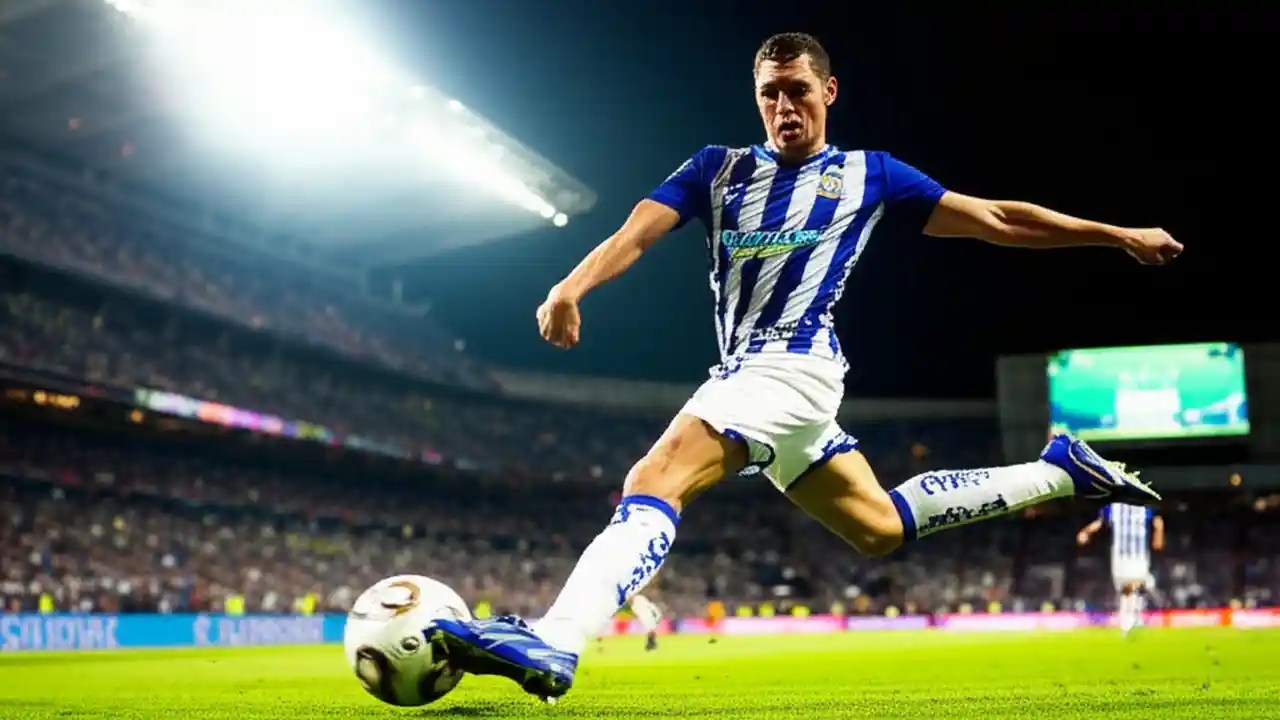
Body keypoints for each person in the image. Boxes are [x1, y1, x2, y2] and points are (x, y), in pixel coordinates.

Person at [425, 31, 1181, 702]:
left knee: (654, 478)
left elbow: (996, 219)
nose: (784, 107)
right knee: (879, 526)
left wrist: (1115, 234)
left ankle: (557, 637)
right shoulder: (715, 171)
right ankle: (1060, 471)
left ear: (828, 91)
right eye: (769, 95)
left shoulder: (870, 175)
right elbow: (634, 233)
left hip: (792, 363)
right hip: (767, 380)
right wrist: (570, 285)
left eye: (797, 91)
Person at [1077, 502, 1165, 636]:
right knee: (1126, 589)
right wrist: (1087, 531)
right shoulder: (1113, 507)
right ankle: (1130, 619)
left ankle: (1130, 620)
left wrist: (1158, 535)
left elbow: (1157, 520)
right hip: (1119, 555)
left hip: (1139, 553)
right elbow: (1101, 521)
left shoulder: (1144, 505)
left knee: (1132, 585)